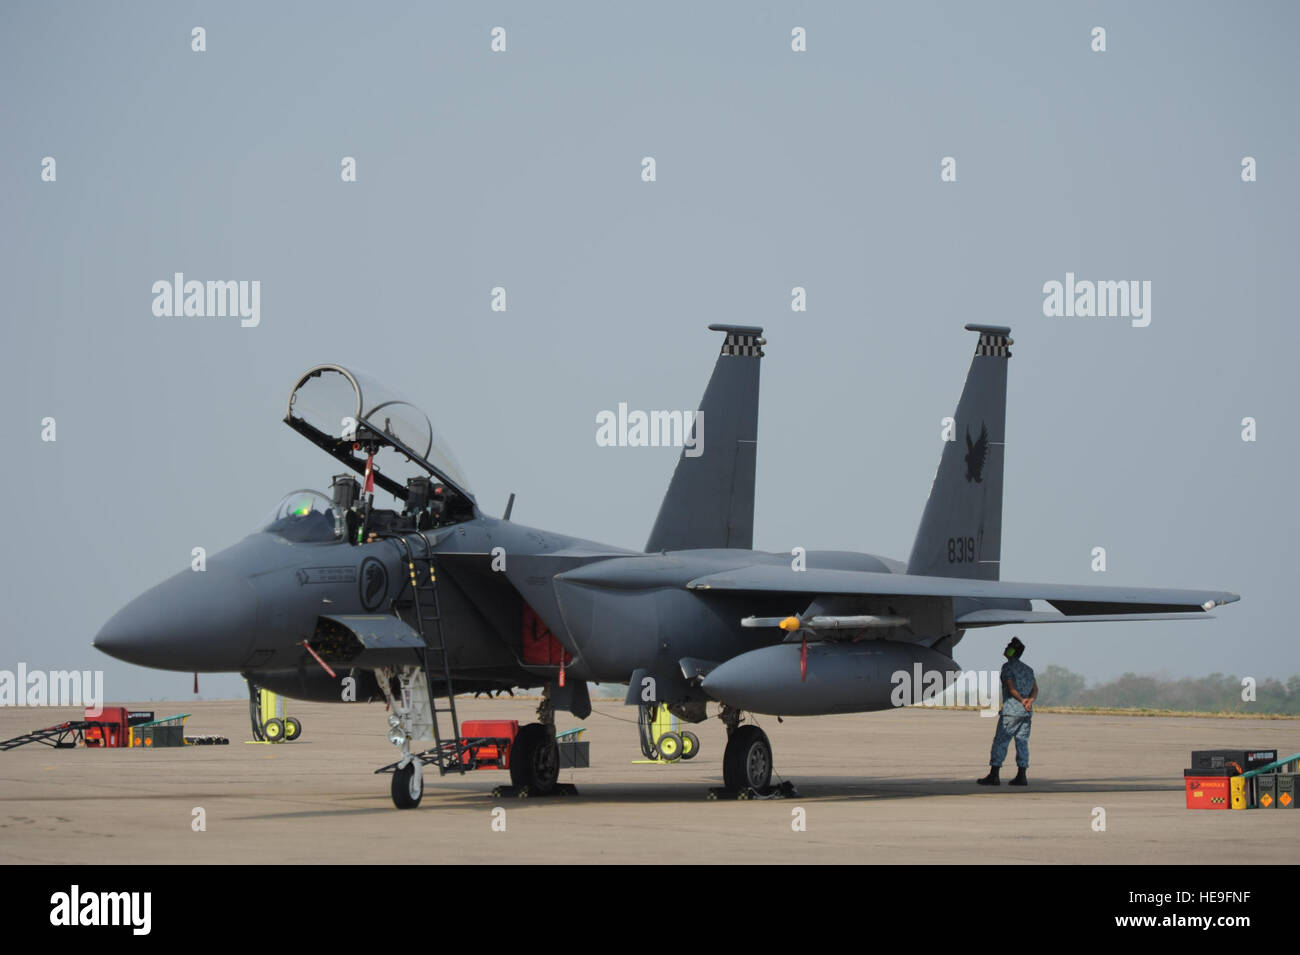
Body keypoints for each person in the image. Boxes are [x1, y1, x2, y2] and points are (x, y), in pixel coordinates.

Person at [977, 636, 1037, 787]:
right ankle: (1022, 776)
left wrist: (1021, 699)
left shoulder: (1007, 667)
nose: (1005, 649)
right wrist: (1030, 700)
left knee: (1001, 741)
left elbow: (1011, 688)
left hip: (1011, 711)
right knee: (1022, 742)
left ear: (1012, 651)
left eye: (1008, 647)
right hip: (1026, 713)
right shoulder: (1028, 669)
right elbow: (1035, 689)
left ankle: (994, 775)